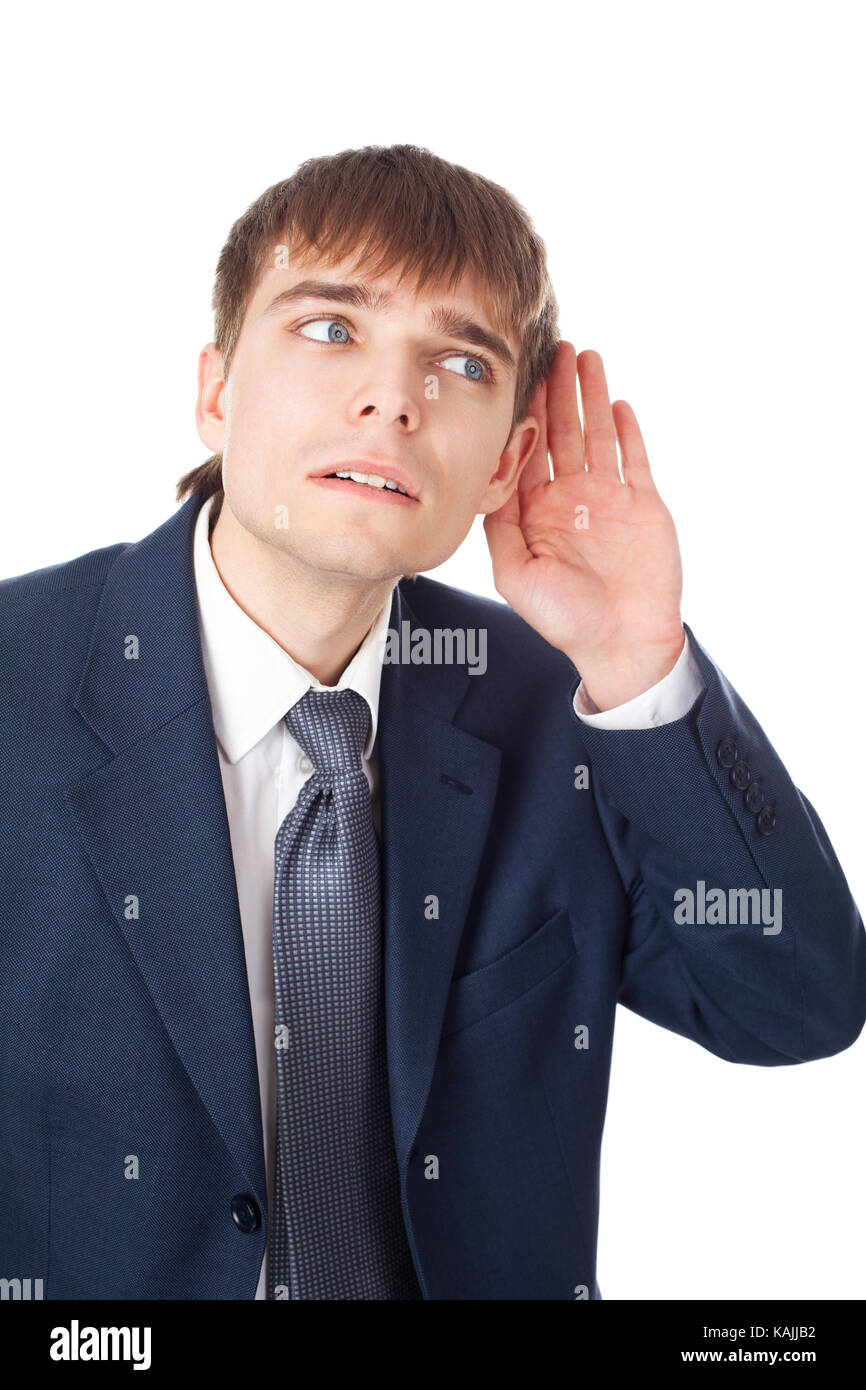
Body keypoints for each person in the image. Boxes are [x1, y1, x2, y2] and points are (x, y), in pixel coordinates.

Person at [2, 143, 864, 1301]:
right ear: (215, 391)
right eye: (328, 329)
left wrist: (635, 659)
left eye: (458, 362)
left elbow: (794, 1003)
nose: (392, 400)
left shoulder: (562, 703)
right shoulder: (21, 679)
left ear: (505, 459)